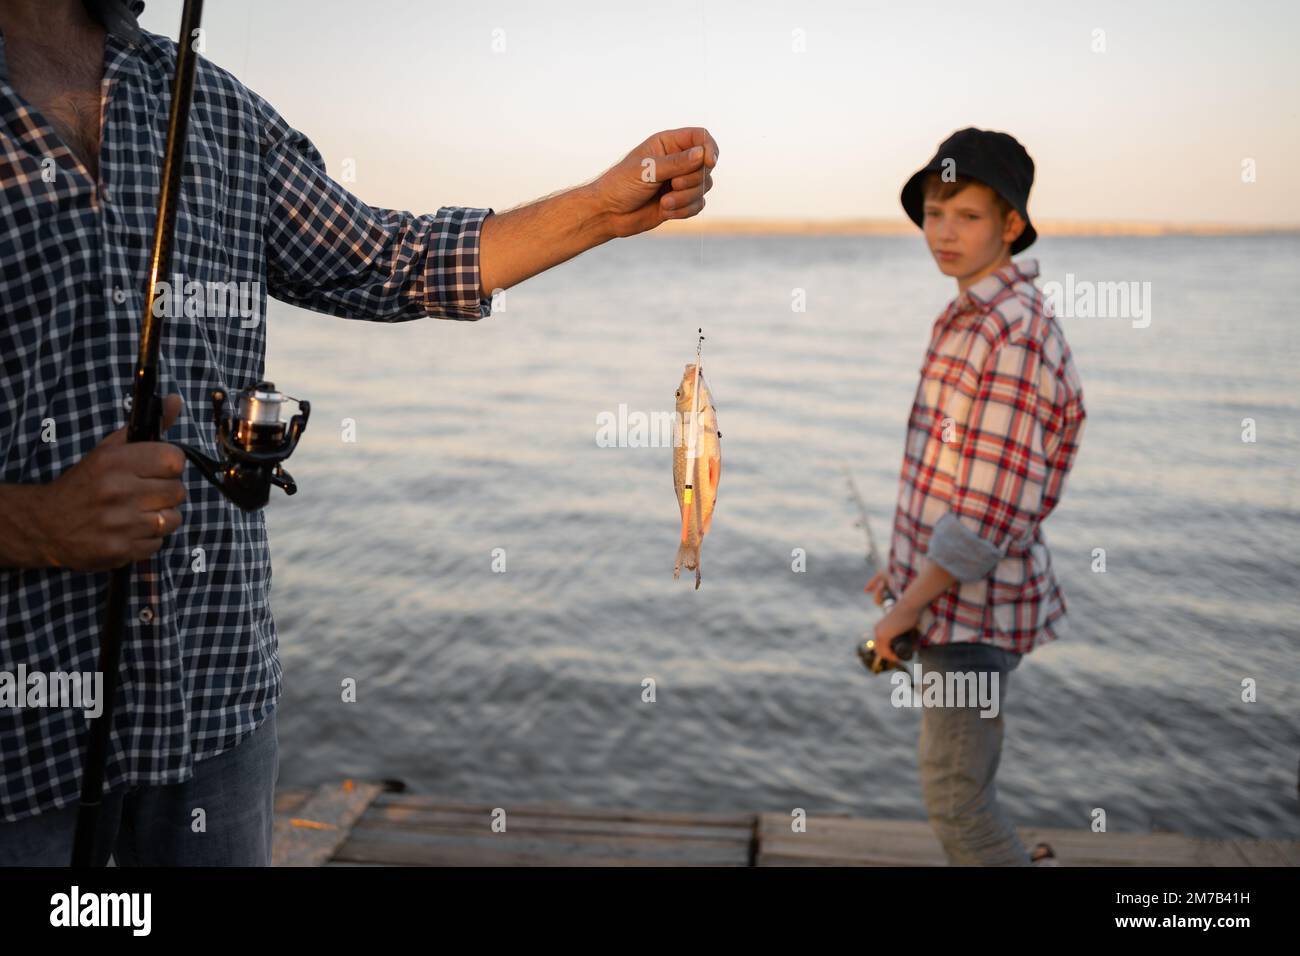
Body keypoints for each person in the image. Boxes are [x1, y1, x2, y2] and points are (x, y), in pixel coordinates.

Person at [0, 0, 718, 865]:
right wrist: (33, 522)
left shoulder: (215, 107)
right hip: (19, 747)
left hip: (215, 704)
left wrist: (604, 209)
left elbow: (387, 258)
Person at [864, 127, 1085, 866]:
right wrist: (903, 576)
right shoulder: (967, 316)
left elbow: (985, 517)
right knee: (963, 788)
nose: (944, 233)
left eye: (967, 214)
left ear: (1010, 226)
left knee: (957, 800)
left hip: (971, 617)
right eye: (934, 212)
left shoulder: (1012, 333)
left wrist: (906, 605)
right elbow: (952, 478)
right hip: (949, 601)